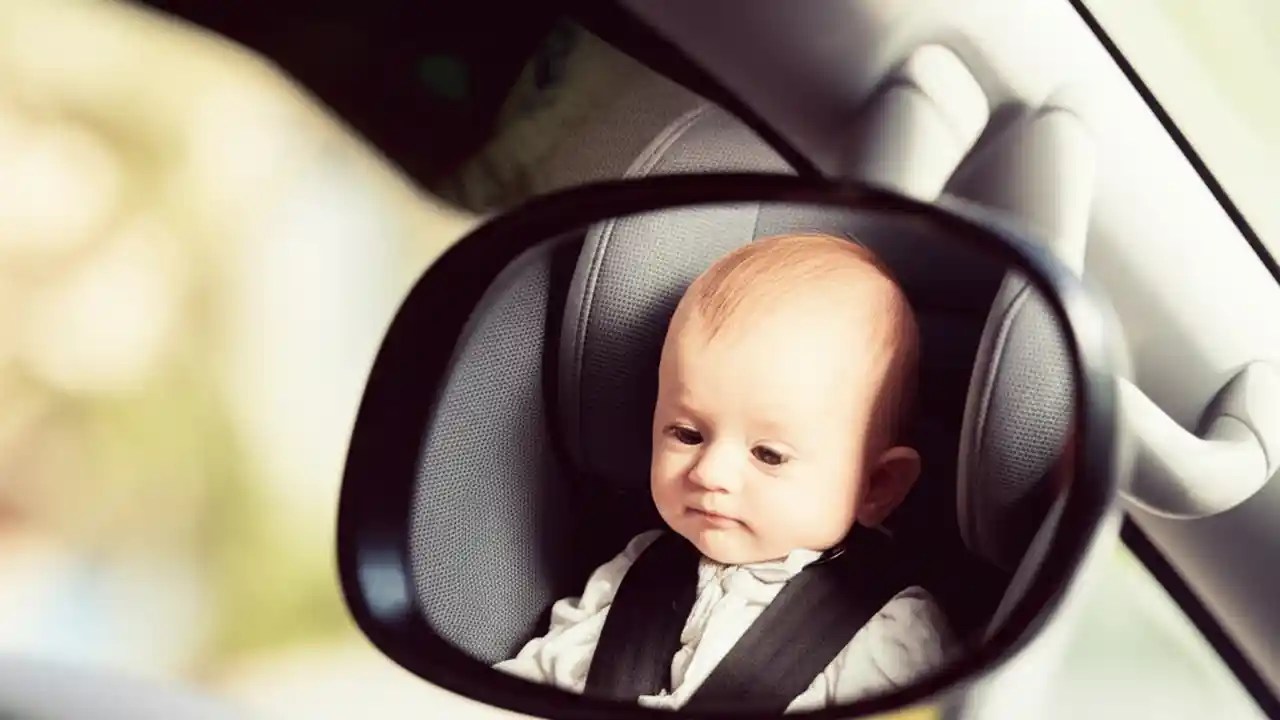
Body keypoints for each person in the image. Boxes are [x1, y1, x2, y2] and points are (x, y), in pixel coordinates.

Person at [494, 233, 955, 712]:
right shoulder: (637, 571)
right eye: (687, 434)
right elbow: (537, 677)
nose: (710, 472)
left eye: (768, 454)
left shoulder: (888, 633)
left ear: (877, 485)